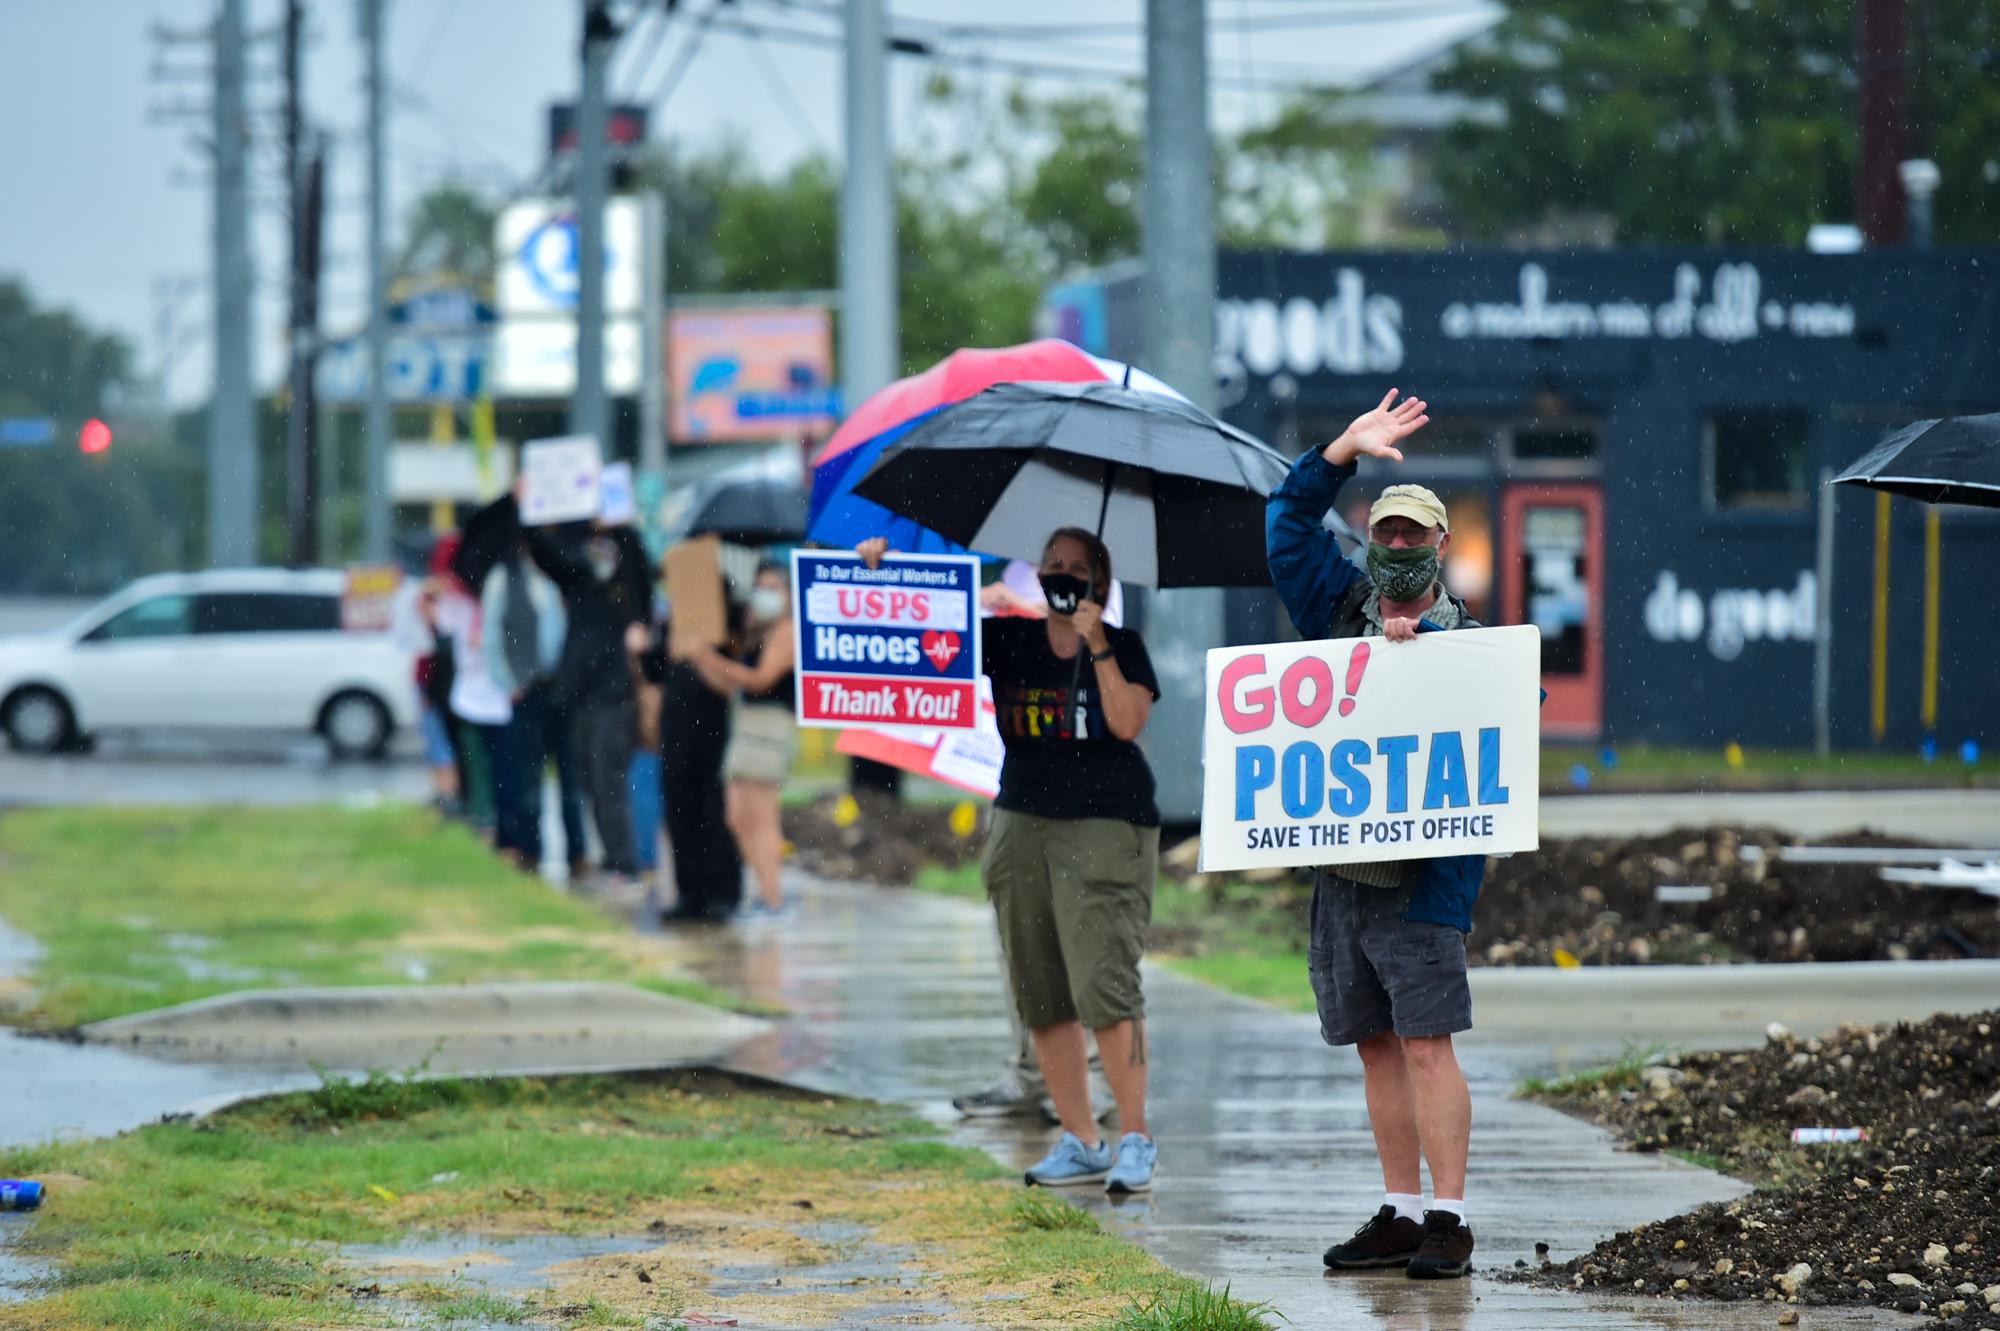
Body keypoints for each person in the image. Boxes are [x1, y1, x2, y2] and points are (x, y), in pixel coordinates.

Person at [859, 530, 1163, 1195]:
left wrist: (1098, 642)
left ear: (1101, 584)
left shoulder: (1125, 646)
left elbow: (1126, 723)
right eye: (1051, 563)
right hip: (1023, 819)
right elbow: (918, 633)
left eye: (1078, 568)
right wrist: (883, 574)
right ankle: (1081, 1140)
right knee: (1041, 988)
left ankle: (1135, 1137)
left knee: (1105, 985)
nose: (1061, 575)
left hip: (1106, 823)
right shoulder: (1009, 639)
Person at [1265, 387, 1483, 1281]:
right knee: (1374, 1041)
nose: (1396, 546)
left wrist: (1425, 654)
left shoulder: (1477, 644)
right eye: (1384, 532)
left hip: (1423, 882)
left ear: (1439, 546)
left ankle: (1451, 1218)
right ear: (1370, 539)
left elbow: (1508, 732)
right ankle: (1398, 1210)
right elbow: (1284, 523)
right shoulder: (1335, 605)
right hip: (1346, 872)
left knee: (1428, 1040)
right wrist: (1342, 451)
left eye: (1412, 535)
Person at [527, 518, 651, 886]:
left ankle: (624, 865)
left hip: (615, 690)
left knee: (607, 775)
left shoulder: (627, 565)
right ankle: (613, 860)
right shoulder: (577, 569)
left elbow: (638, 571)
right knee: (591, 779)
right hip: (581, 688)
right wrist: (535, 513)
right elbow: (553, 558)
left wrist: (623, 529)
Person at [687, 562, 798, 919]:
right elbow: (732, 685)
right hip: (748, 724)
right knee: (736, 817)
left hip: (771, 727)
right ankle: (765, 893)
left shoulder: (788, 632)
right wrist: (699, 658)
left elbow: (760, 680)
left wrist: (711, 659)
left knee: (763, 818)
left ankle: (774, 898)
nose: (764, 594)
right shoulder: (758, 633)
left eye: (773, 587)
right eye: (760, 586)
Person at [481, 540, 585, 874]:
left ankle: (577, 854)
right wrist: (508, 683)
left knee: (571, 777)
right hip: (527, 690)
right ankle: (531, 850)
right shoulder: (504, 578)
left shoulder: (566, 575)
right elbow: (492, 635)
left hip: (564, 687)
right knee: (529, 777)